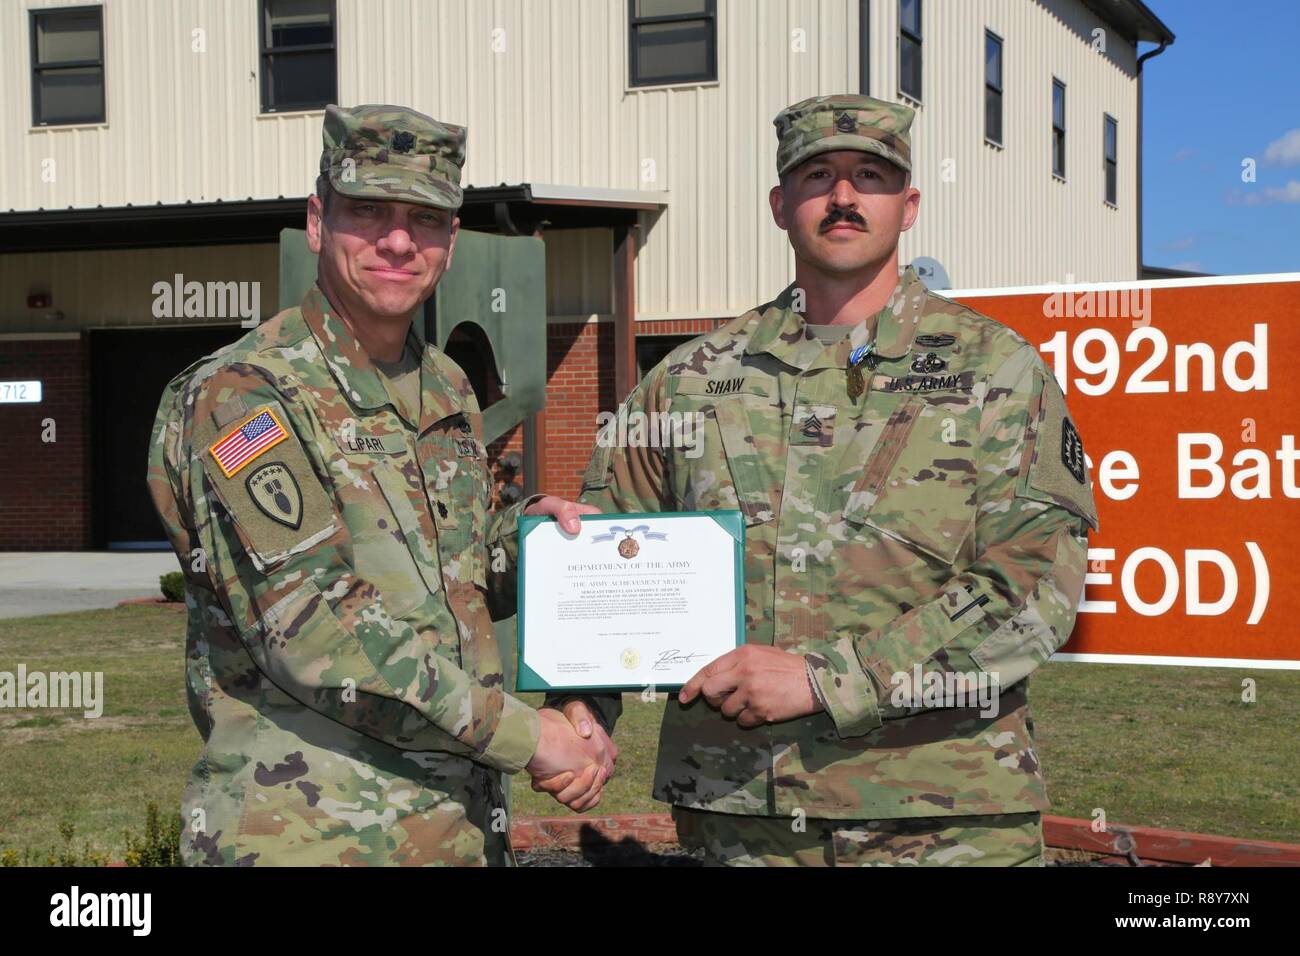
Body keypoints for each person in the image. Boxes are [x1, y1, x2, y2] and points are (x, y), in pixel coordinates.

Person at [554, 93, 1098, 865]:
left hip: (943, 816)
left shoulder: (996, 371)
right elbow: (610, 549)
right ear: (781, 204)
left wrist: (827, 681)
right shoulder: (692, 380)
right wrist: (583, 704)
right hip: (743, 817)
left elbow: (1036, 588)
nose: (843, 196)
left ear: (907, 206)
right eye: (818, 175)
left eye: (869, 175)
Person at [147, 104, 609, 866]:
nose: (399, 240)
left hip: (456, 833)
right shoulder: (246, 395)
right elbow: (314, 628)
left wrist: (537, 543)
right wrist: (533, 738)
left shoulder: (445, 388)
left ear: (451, 241)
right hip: (311, 837)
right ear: (319, 220)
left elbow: (448, 576)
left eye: (425, 218)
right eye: (369, 211)